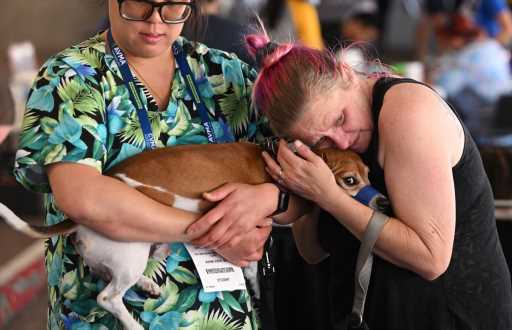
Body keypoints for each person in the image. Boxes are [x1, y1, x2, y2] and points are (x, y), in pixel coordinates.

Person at [191, 28, 512, 329]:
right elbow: (312, 250)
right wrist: (299, 191)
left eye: (341, 119)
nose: (341, 141)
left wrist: (330, 195)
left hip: (450, 314)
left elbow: (430, 258)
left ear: (345, 73)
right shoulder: (318, 146)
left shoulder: (407, 112)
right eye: (323, 140)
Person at [12, 1, 305, 329]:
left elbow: (302, 191)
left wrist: (271, 199)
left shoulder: (227, 74)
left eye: (173, 7)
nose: (155, 22)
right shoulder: (72, 75)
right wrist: (216, 232)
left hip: (223, 317)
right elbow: (84, 199)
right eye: (139, 5)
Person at [432, 12, 512, 138]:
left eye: (441, 40)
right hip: (507, 129)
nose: (439, 44)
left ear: (454, 38)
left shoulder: (463, 60)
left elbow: (440, 89)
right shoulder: (493, 46)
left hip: (483, 130)